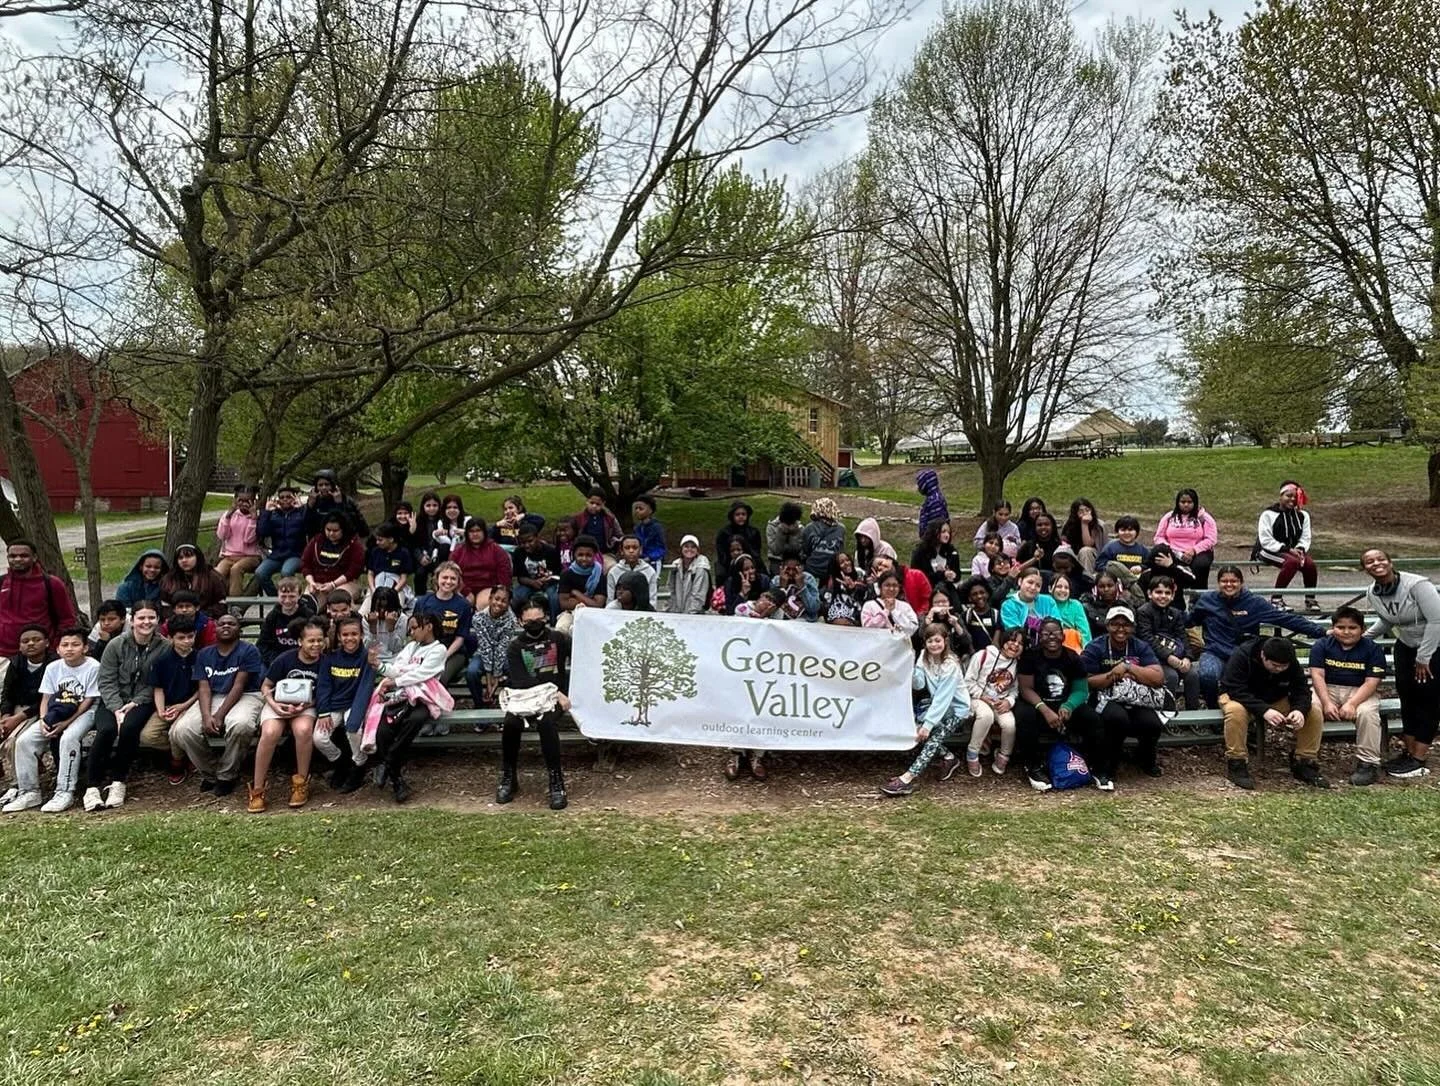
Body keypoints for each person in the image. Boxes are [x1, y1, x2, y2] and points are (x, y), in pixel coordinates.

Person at [1189, 565, 1326, 707]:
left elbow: (1286, 619)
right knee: (1208, 675)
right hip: (1215, 651)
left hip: (1243, 652)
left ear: (1241, 583)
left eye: (1234, 581)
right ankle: (1213, 709)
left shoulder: (1255, 603)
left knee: (1254, 678)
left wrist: (1321, 631)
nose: (1229, 585)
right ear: (1218, 583)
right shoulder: (1207, 600)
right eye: (1224, 581)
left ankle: (1251, 714)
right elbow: (1189, 621)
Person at [1362, 548, 1440, 779]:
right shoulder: (1373, 592)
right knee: (1408, 698)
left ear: (1390, 561)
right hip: (1405, 646)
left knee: (1428, 699)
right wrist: (1361, 639)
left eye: (1380, 559)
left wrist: (1424, 656)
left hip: (1433, 647)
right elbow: (1388, 619)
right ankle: (1409, 750)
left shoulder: (1417, 585)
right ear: (1364, 568)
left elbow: (1437, 619)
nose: (1376, 564)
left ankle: (1419, 757)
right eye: (1369, 562)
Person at [3, 627, 99, 813]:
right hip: (55, 711)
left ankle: (65, 791)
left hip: (84, 712)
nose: (70, 649)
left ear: (85, 648)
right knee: (24, 741)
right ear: (58, 649)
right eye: (65, 645)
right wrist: (43, 720)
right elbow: (46, 697)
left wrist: (66, 723)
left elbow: (88, 701)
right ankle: (29, 792)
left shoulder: (93, 666)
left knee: (68, 738)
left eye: (75, 645)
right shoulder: (53, 667)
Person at [169, 612, 265, 796]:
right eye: (222, 624)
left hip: (246, 695)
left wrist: (219, 715)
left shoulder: (249, 651)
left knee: (241, 725)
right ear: (216, 629)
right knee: (183, 730)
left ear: (239, 629)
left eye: (232, 624)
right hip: (212, 696)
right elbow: (203, 687)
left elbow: (239, 685)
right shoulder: (205, 654)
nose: (226, 626)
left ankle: (227, 775)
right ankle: (212, 773)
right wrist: (206, 716)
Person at [83, 600, 165, 812]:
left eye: (151, 618)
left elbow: (157, 682)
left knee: (129, 729)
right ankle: (91, 787)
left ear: (157, 620)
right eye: (141, 618)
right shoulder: (116, 644)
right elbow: (106, 680)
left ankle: (118, 782)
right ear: (132, 620)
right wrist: (117, 707)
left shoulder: (165, 646)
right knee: (106, 730)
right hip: (112, 700)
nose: (146, 622)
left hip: (142, 701)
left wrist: (135, 703)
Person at [1218, 636, 1328, 790]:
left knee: (1314, 711)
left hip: (1275, 698)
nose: (1279, 669)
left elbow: (1302, 690)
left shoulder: (1290, 662)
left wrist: (1299, 710)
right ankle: (1237, 762)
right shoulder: (1243, 654)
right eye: (1275, 665)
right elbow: (1234, 688)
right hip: (1239, 697)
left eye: (1284, 666)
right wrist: (1264, 710)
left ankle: (1304, 761)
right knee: (1235, 712)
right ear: (1263, 656)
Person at [362, 611, 450, 803]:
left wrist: (394, 682)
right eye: (410, 628)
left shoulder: (438, 649)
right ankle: (397, 780)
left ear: (428, 626)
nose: (411, 633)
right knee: (383, 730)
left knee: (415, 719)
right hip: (400, 696)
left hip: (423, 697)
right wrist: (379, 666)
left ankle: (387, 764)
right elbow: (396, 669)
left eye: (414, 628)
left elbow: (422, 675)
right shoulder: (411, 647)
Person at [497, 599, 572, 810]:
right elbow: (522, 681)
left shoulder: (558, 638)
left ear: (546, 618)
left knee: (547, 723)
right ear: (520, 621)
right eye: (529, 621)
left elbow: (582, 651)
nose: (534, 623)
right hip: (527, 698)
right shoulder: (515, 647)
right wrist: (555, 692)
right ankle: (509, 776)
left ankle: (556, 780)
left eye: (539, 619)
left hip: (553, 701)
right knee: (511, 723)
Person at [1080, 605, 1166, 788]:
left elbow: (1158, 678)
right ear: (1107, 625)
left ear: (1133, 627)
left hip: (1135, 697)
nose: (1121, 629)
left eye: (1126, 625)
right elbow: (1085, 680)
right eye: (1115, 624)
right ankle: (1108, 764)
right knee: (1117, 718)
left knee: (1152, 723)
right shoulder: (1096, 647)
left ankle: (1145, 759)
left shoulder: (1139, 646)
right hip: (1103, 696)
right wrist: (1113, 675)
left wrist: (1128, 667)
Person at [880, 623, 970, 796]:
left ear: (945, 641)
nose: (934, 645)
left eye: (937, 640)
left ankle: (906, 779)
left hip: (956, 710)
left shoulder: (950, 665)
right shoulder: (924, 656)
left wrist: (928, 725)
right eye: (930, 641)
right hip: (936, 705)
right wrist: (912, 668)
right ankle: (950, 758)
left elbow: (943, 698)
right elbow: (919, 684)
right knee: (916, 731)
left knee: (931, 738)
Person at [249, 617, 328, 812]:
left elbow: (323, 692)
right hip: (278, 703)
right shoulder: (285, 659)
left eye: (320, 640)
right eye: (311, 640)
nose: (316, 644)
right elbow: (266, 686)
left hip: (305, 705)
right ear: (300, 641)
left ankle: (301, 783)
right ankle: (257, 789)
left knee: (303, 730)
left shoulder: (326, 662)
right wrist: (275, 706)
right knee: (270, 733)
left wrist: (303, 706)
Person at [1014, 618, 1101, 792]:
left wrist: (1069, 706)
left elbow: (1081, 690)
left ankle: (1096, 766)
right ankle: (1033, 766)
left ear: (1063, 635)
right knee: (1024, 715)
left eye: (1056, 633)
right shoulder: (1030, 656)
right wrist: (1044, 709)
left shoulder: (1072, 657)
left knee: (1092, 718)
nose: (1051, 637)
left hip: (1065, 705)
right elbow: (1025, 689)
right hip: (1038, 704)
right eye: (1046, 634)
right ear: (1040, 636)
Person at [1309, 605, 1387, 786]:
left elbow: (1371, 682)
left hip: (1359, 691)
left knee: (1367, 713)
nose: (1346, 632)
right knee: (1311, 707)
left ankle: (1368, 763)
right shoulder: (1322, 645)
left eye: (1352, 628)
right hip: (1327, 689)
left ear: (1362, 629)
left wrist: (1352, 704)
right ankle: (1305, 758)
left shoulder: (1372, 649)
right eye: (1340, 627)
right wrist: (1327, 703)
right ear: (1333, 628)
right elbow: (1317, 675)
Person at [316, 616, 374, 792]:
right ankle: (341, 763)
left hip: (353, 704)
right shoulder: (330, 657)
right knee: (319, 738)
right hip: (333, 706)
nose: (350, 638)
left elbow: (365, 689)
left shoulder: (367, 658)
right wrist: (323, 712)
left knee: (354, 730)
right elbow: (323, 686)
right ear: (339, 637)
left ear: (362, 635)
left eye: (354, 634)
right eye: (345, 635)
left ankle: (359, 765)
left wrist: (355, 718)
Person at [0, 626, 55, 806]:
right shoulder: (16, 663)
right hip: (15, 710)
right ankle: (24, 776)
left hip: (40, 710)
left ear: (46, 642)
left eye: (36, 639)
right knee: (4, 734)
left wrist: (18, 718)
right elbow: (7, 693)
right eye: (25, 641)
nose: (31, 643)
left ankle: (19, 786)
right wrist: (5, 716)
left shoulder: (53, 663)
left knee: (13, 742)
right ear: (20, 646)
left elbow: (46, 698)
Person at [0, 539, 79, 660]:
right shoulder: (2, 583)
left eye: (24, 555)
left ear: (35, 557)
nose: (17, 559)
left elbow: (67, 619)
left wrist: (54, 647)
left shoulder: (51, 584)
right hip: (4, 654)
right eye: (12, 556)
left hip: (40, 655)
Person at [964, 627, 1024, 776]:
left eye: (1020, 643)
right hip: (979, 698)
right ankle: (973, 752)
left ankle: (1004, 756)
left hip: (1000, 701)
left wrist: (1008, 702)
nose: (1015, 645)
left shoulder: (1017, 665)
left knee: (1009, 724)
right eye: (1012, 640)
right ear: (1004, 640)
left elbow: (1015, 690)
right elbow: (967, 681)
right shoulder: (983, 655)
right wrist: (981, 695)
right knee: (986, 716)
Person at [148, 616, 200, 785]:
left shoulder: (200, 658)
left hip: (191, 705)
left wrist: (183, 706)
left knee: (175, 732)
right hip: (167, 704)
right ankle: (187, 753)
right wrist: (161, 710)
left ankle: (176, 763)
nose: (187, 641)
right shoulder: (161, 660)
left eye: (190, 636)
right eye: (181, 638)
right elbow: (158, 689)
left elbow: (203, 690)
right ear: (170, 638)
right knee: (147, 736)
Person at [1135, 575, 1200, 710]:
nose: (1163, 596)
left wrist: (1187, 657)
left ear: (1172, 595)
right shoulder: (1143, 612)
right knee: (1171, 676)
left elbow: (1182, 636)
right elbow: (1147, 638)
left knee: (1192, 675)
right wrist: (1168, 657)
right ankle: (1168, 713)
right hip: (1153, 658)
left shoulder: (1175, 613)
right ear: (1149, 593)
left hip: (1176, 655)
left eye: (1167, 593)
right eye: (1158, 592)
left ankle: (1193, 713)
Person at [411, 561, 474, 689]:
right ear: (437, 578)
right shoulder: (423, 602)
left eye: (453, 578)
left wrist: (442, 656)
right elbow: (415, 632)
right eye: (445, 577)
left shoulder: (464, 606)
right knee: (415, 675)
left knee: (438, 679)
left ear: (458, 582)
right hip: (426, 649)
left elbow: (460, 638)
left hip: (453, 653)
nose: (448, 581)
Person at [1256, 482, 1319, 609]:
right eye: (1288, 496)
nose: (1292, 499)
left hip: (1293, 551)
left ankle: (1310, 599)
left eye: (1295, 497)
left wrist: (1300, 549)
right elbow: (1266, 539)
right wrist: (1287, 549)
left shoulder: (1303, 515)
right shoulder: (1269, 514)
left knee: (1310, 565)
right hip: (1268, 550)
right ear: (1281, 496)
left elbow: (1305, 537)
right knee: (1291, 563)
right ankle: (1276, 599)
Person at [1154, 488, 1217, 589]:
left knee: (1201, 565)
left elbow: (1211, 539)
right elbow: (1159, 537)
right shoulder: (1169, 517)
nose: (1186, 505)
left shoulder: (1205, 518)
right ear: (1177, 503)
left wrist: (1193, 551)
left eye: (1189, 502)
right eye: (1183, 502)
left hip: (1198, 552)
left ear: (1195, 502)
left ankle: (1197, 597)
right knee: (1157, 554)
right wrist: (1172, 550)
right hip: (1173, 551)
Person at [469, 583, 519, 708]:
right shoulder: (478, 618)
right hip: (483, 654)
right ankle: (481, 705)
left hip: (503, 655)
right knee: (472, 672)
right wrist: (489, 677)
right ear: (490, 598)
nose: (499, 603)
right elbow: (485, 647)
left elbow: (501, 648)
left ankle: (510, 707)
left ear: (508, 604)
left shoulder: (511, 620)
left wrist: (496, 676)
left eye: (504, 601)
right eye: (496, 599)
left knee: (515, 670)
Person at [253, 487, 308, 596]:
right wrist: (266, 513)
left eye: (288, 497)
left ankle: (292, 597)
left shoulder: (300, 513)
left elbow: (308, 527)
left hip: (296, 554)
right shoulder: (274, 515)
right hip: (277, 555)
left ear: (294, 498)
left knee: (286, 572)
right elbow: (262, 532)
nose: (285, 500)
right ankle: (276, 599)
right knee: (260, 573)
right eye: (282, 498)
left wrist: (302, 509)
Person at [300, 514, 367, 603]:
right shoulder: (317, 540)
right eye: (328, 530)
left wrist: (333, 584)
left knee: (337, 599)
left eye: (335, 531)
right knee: (308, 604)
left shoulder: (353, 544)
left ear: (343, 530)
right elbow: (305, 563)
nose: (331, 533)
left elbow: (353, 571)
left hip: (344, 584)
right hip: (318, 584)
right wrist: (312, 582)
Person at [450, 518, 511, 609]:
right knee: (462, 604)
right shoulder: (458, 551)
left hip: (488, 588)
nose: (475, 534)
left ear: (484, 532)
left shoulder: (496, 550)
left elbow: (504, 574)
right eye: (471, 531)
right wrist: (465, 592)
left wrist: (499, 591)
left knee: (485, 605)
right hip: (463, 588)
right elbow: (452, 572)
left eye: (478, 530)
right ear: (467, 533)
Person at [213, 486, 262, 598]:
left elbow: (249, 539)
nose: (244, 504)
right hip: (229, 556)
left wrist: (253, 519)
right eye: (241, 500)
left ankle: (236, 602)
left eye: (248, 501)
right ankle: (219, 599)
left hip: (250, 556)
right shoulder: (229, 515)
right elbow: (222, 535)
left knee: (236, 569)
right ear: (235, 500)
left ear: (254, 501)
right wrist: (228, 517)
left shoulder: (257, 517)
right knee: (217, 573)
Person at [257, 577, 316, 665]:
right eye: (283, 596)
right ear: (278, 595)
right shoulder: (272, 616)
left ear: (299, 595)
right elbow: (262, 644)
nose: (287, 600)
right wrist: (274, 661)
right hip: (276, 659)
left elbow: (314, 643)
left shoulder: (308, 615)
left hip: (302, 660)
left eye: (292, 596)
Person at [555, 535, 607, 635]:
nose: (584, 558)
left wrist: (577, 594)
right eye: (580, 555)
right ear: (574, 554)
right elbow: (564, 604)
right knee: (561, 629)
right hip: (570, 612)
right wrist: (588, 601)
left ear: (595, 555)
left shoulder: (599, 574)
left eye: (588, 555)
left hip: (593, 614)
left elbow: (598, 605)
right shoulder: (567, 574)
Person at [509, 526, 563, 620]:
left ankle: (554, 623)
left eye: (530, 541)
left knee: (554, 598)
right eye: (523, 543)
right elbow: (520, 577)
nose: (527, 545)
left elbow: (558, 573)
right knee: (517, 596)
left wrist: (548, 580)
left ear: (538, 537)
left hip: (550, 583)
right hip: (529, 583)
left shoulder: (551, 551)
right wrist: (532, 582)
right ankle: (518, 621)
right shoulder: (519, 552)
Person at [303, 469, 369, 541]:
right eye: (320, 485)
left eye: (327, 484)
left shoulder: (346, 501)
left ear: (333, 485)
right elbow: (306, 527)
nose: (324, 488)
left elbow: (360, 528)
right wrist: (310, 506)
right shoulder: (313, 503)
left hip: (342, 543)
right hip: (320, 543)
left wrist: (339, 504)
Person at [999, 569, 1056, 645]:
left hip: (1047, 645)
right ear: (1020, 581)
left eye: (1038, 585)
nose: (1033, 587)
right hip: (1020, 646)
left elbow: (1057, 626)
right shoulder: (1008, 605)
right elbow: (1015, 633)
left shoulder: (1048, 601)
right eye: (1030, 582)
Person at [364, 521, 415, 603]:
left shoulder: (403, 553)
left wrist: (393, 592)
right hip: (376, 587)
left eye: (380, 540)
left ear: (391, 539)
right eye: (376, 540)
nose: (377, 543)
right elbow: (370, 573)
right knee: (363, 613)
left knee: (394, 610)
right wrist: (373, 590)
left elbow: (403, 578)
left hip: (396, 588)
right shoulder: (375, 551)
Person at [919, 588, 974, 660]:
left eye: (944, 601)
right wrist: (930, 614)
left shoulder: (955, 616)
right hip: (932, 656)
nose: (941, 605)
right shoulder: (927, 617)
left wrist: (956, 625)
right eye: (936, 602)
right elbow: (921, 636)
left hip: (954, 657)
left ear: (949, 603)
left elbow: (967, 641)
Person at [800, 498, 846, 581]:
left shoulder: (809, 528)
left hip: (812, 570)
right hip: (832, 572)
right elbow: (840, 550)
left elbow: (805, 549)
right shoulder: (841, 529)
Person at [861, 570, 919, 636]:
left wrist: (894, 611)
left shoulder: (905, 606)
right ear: (880, 587)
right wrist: (886, 611)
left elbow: (912, 629)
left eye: (895, 585)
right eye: (887, 585)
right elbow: (867, 628)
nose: (891, 589)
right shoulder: (869, 605)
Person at [412, 491, 449, 594]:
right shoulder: (418, 521)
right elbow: (414, 543)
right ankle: (419, 598)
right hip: (422, 555)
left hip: (439, 556)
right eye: (428, 505)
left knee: (439, 575)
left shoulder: (444, 521)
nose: (431, 508)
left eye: (435, 505)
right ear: (423, 506)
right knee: (420, 574)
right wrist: (420, 557)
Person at [666, 535, 712, 615]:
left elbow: (698, 595)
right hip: (677, 612)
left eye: (693, 547)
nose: (689, 549)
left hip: (694, 614)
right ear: (681, 549)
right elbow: (670, 589)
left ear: (697, 550)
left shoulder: (701, 567)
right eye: (686, 546)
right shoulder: (675, 565)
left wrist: (690, 614)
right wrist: (670, 611)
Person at [1060, 498, 1108, 575]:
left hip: (1093, 556)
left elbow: (1088, 544)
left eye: (1087, 510)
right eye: (1081, 511)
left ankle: (1087, 578)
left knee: (1085, 551)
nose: (1085, 513)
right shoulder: (1070, 524)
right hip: (1074, 554)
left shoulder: (1098, 525)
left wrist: (1084, 524)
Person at [606, 534, 659, 603]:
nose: (631, 551)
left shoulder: (650, 571)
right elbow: (611, 599)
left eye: (635, 547)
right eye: (627, 548)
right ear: (621, 551)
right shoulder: (613, 572)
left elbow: (652, 599)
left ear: (640, 550)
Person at [570, 489, 624, 557]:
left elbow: (619, 535)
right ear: (587, 501)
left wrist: (614, 541)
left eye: (598, 504)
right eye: (591, 503)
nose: (594, 506)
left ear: (603, 504)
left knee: (611, 566)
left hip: (604, 553)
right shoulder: (578, 518)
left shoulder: (610, 518)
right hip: (583, 554)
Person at [911, 520, 961, 590]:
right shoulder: (920, 552)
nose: (947, 535)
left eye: (948, 532)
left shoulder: (952, 551)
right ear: (934, 532)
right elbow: (919, 575)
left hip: (947, 589)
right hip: (926, 588)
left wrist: (953, 575)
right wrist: (942, 574)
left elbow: (957, 574)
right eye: (943, 532)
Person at [1047, 574, 1090, 653]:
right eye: (1059, 587)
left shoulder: (1075, 605)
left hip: (1072, 648)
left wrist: (1086, 652)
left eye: (1066, 588)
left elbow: (1085, 633)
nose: (1063, 590)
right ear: (1050, 589)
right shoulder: (1045, 602)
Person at [771, 551, 819, 621]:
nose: (791, 573)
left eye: (794, 569)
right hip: (782, 620)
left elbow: (814, 609)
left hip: (805, 620)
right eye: (788, 569)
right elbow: (771, 608)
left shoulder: (809, 579)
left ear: (801, 568)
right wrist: (782, 588)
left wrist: (802, 587)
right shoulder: (776, 580)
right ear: (782, 567)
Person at [715, 500, 763, 571]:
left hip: (750, 562)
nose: (741, 517)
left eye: (743, 514)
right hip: (729, 563)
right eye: (737, 514)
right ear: (732, 516)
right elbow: (722, 554)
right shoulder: (724, 533)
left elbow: (756, 552)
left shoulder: (754, 532)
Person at [958, 577, 999, 652]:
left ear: (988, 593)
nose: (979, 596)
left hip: (991, 657)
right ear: (969, 598)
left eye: (982, 592)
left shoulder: (996, 615)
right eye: (974, 594)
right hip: (973, 657)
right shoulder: (966, 616)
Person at [766, 502, 805, 576]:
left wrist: (793, 535)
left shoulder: (800, 528)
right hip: (776, 560)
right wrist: (781, 534)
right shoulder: (772, 526)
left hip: (794, 560)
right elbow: (776, 551)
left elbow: (796, 550)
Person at [1082, 572, 1125, 638]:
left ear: (1117, 586)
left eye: (1110, 586)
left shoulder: (1125, 607)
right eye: (1101, 587)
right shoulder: (1087, 607)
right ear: (1096, 589)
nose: (1106, 589)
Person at [915, 468, 951, 538]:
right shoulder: (932, 498)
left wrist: (928, 539)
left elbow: (937, 525)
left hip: (933, 541)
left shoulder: (935, 501)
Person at [632, 496, 666, 568]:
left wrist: (650, 557)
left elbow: (661, 548)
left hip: (653, 561)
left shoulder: (656, 527)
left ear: (650, 510)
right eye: (636, 508)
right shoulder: (637, 528)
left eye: (641, 509)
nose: (637, 511)